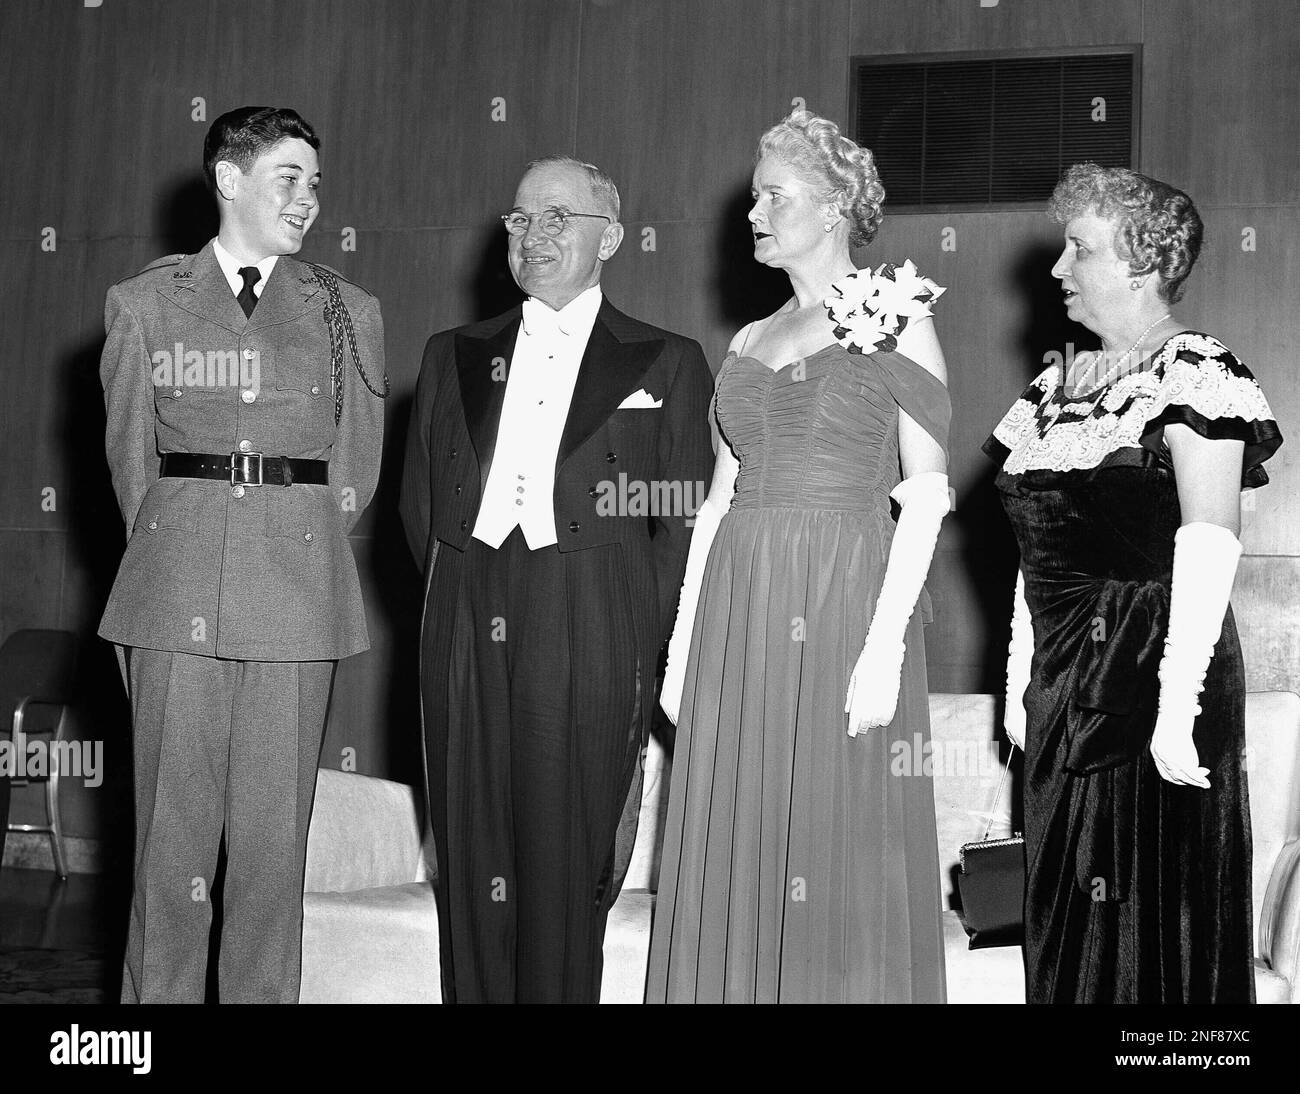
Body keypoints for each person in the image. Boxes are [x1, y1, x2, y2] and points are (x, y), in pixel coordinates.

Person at [647, 111, 951, 1003]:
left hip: (843, 599)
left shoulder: (897, 309)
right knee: (739, 834)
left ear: (834, 207)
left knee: (830, 832)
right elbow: (715, 505)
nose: (753, 212)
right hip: (741, 601)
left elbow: (926, 493)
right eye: (753, 195)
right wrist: (681, 649)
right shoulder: (745, 341)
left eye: (773, 195)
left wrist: (886, 646)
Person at [400, 155, 714, 1003]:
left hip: (592, 614)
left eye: (557, 217)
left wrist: (627, 634)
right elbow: (419, 505)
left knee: (565, 857)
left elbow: (677, 519)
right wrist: (467, 592)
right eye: (519, 219)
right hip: (466, 604)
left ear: (609, 237)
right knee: (472, 851)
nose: (532, 235)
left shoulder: (667, 361)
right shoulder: (450, 354)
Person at [99, 106, 386, 1003]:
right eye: (287, 178)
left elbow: (356, 468)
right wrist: (191, 542)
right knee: (167, 843)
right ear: (229, 180)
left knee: (272, 845)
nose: (307, 200)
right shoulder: (146, 303)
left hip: (299, 595)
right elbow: (130, 465)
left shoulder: (347, 310)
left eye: (315, 182)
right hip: (172, 586)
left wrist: (279, 546)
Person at [985, 163, 1283, 1003]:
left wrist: (1178, 706)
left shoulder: (1197, 367)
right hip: (1062, 687)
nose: (1058, 269)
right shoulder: (1057, 386)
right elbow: (1032, 549)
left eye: (1078, 249)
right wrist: (1019, 682)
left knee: (1158, 924)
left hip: (1157, 674)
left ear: (1143, 262)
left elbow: (1209, 539)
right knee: (1063, 920)